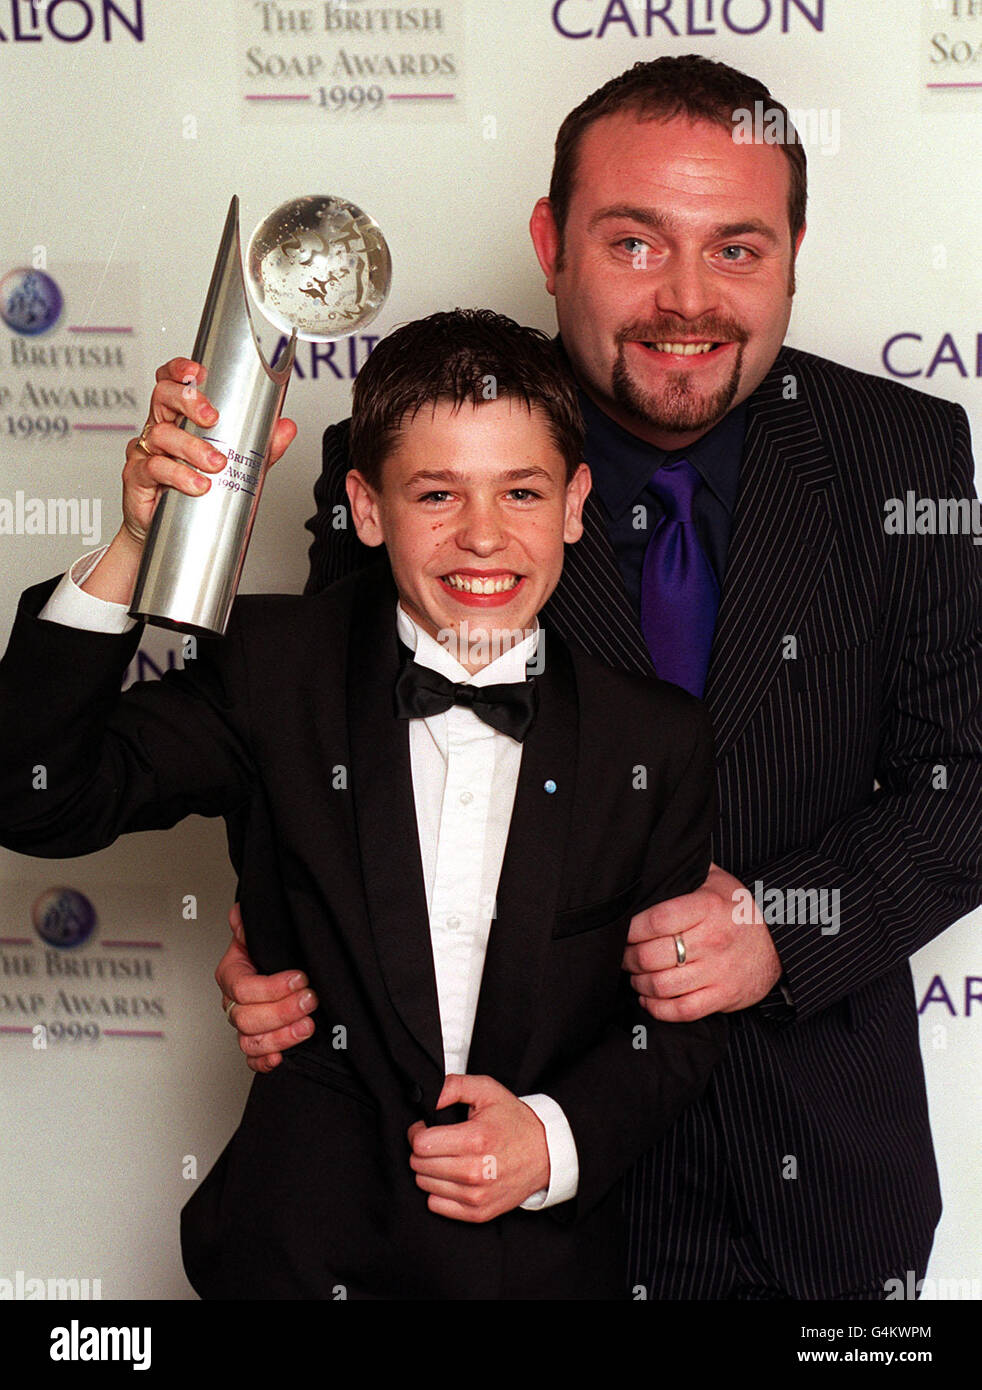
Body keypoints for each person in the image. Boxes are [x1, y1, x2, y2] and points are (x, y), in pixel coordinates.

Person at [220, 56, 982, 1299]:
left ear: (794, 249)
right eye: (633, 242)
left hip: (816, 1189)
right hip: (488, 1191)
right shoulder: (418, 446)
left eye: (736, 247)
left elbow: (966, 784)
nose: (687, 299)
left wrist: (780, 928)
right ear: (550, 243)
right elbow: (322, 765)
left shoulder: (903, 450)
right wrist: (273, 941)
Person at [0, 309, 728, 1300]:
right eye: (436, 492)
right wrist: (138, 539)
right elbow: (38, 797)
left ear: (574, 504)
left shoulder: (655, 739)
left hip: (538, 1275)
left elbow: (676, 1018)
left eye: (521, 491)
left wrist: (552, 1138)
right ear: (367, 505)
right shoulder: (270, 669)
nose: (482, 534)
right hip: (291, 1259)